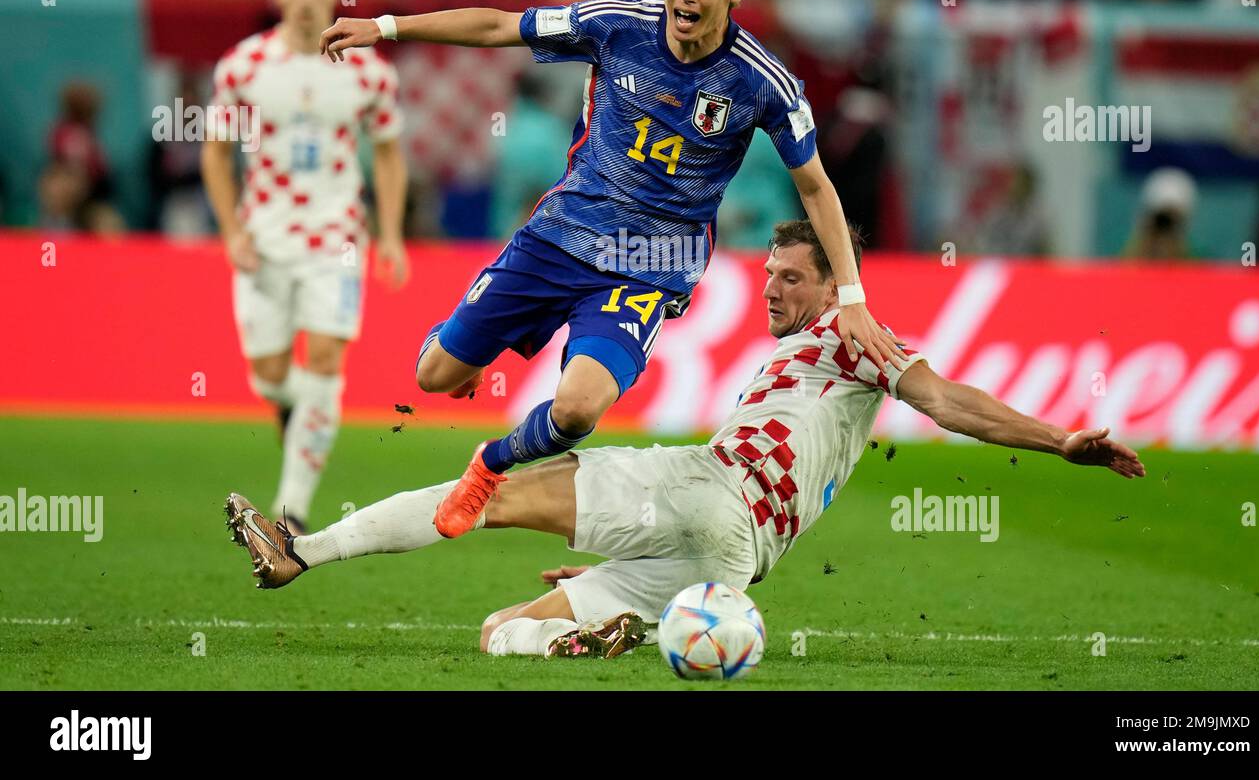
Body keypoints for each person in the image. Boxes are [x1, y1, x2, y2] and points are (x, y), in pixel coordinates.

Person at [225, 219, 1144, 659]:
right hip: (729, 560)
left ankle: (299, 552)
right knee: (498, 633)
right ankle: (599, 633)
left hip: (711, 491)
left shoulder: (850, 333)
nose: (773, 290)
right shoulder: (808, 359)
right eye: (770, 274)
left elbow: (947, 403)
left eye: (791, 276)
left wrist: (1059, 439)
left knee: (494, 495)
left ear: (836, 284)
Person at [318, 0, 906, 540]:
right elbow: (495, 26)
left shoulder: (764, 83)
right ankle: (470, 354)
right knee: (434, 376)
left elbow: (817, 188)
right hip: (560, 237)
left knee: (576, 411)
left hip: (651, 267)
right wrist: (384, 26)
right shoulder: (615, 25)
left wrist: (851, 297)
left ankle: (491, 464)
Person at [200, 0, 409, 533]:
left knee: (323, 357)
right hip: (264, 237)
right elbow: (215, 154)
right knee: (267, 374)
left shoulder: (368, 68)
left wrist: (390, 235)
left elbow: (390, 155)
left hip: (338, 237)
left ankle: (290, 513)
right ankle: (309, 410)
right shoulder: (244, 66)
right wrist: (231, 231)